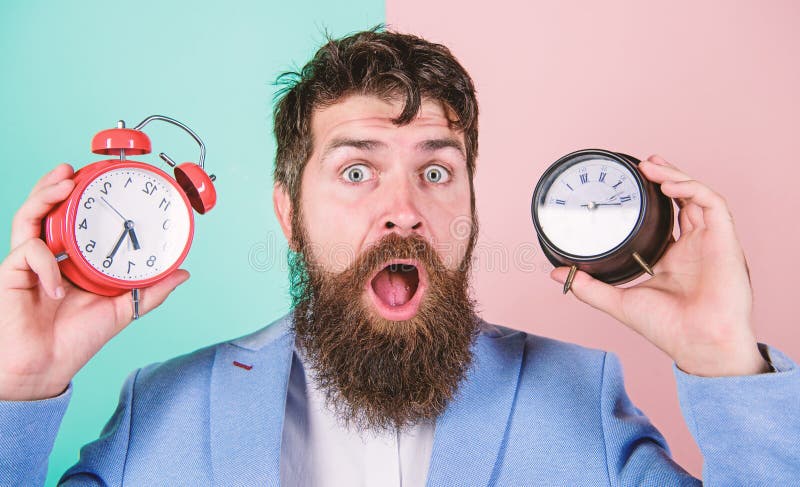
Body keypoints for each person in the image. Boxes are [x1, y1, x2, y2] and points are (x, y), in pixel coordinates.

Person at [0, 28, 797, 486]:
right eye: (356, 169)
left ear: (472, 204)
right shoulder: (163, 407)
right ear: (288, 211)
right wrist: (18, 385)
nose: (404, 209)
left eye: (437, 169)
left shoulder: (579, 398)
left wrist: (721, 355)